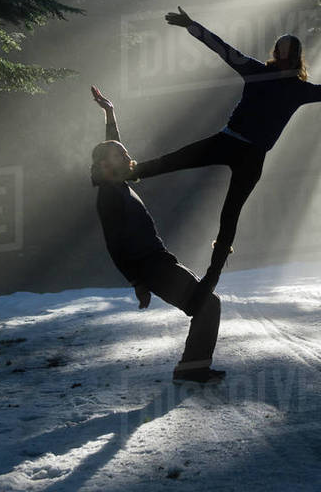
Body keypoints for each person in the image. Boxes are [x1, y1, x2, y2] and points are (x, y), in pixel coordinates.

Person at [126, 6, 321, 298]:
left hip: (253, 156)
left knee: (231, 213)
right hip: (228, 140)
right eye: (280, 47)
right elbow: (222, 48)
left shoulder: (301, 89)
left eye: (289, 49)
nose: (283, 52)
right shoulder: (255, 71)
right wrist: (192, 25)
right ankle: (131, 172)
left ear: (296, 54)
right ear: (276, 51)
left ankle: (211, 278)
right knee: (177, 159)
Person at [90, 85, 225, 384]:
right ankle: (192, 369)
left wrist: (110, 113)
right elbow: (115, 244)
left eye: (125, 153)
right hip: (151, 267)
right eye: (120, 155)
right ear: (104, 165)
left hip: (158, 262)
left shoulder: (117, 182)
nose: (128, 156)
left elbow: (112, 147)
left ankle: (193, 368)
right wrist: (137, 281)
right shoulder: (109, 195)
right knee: (207, 304)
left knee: (207, 304)